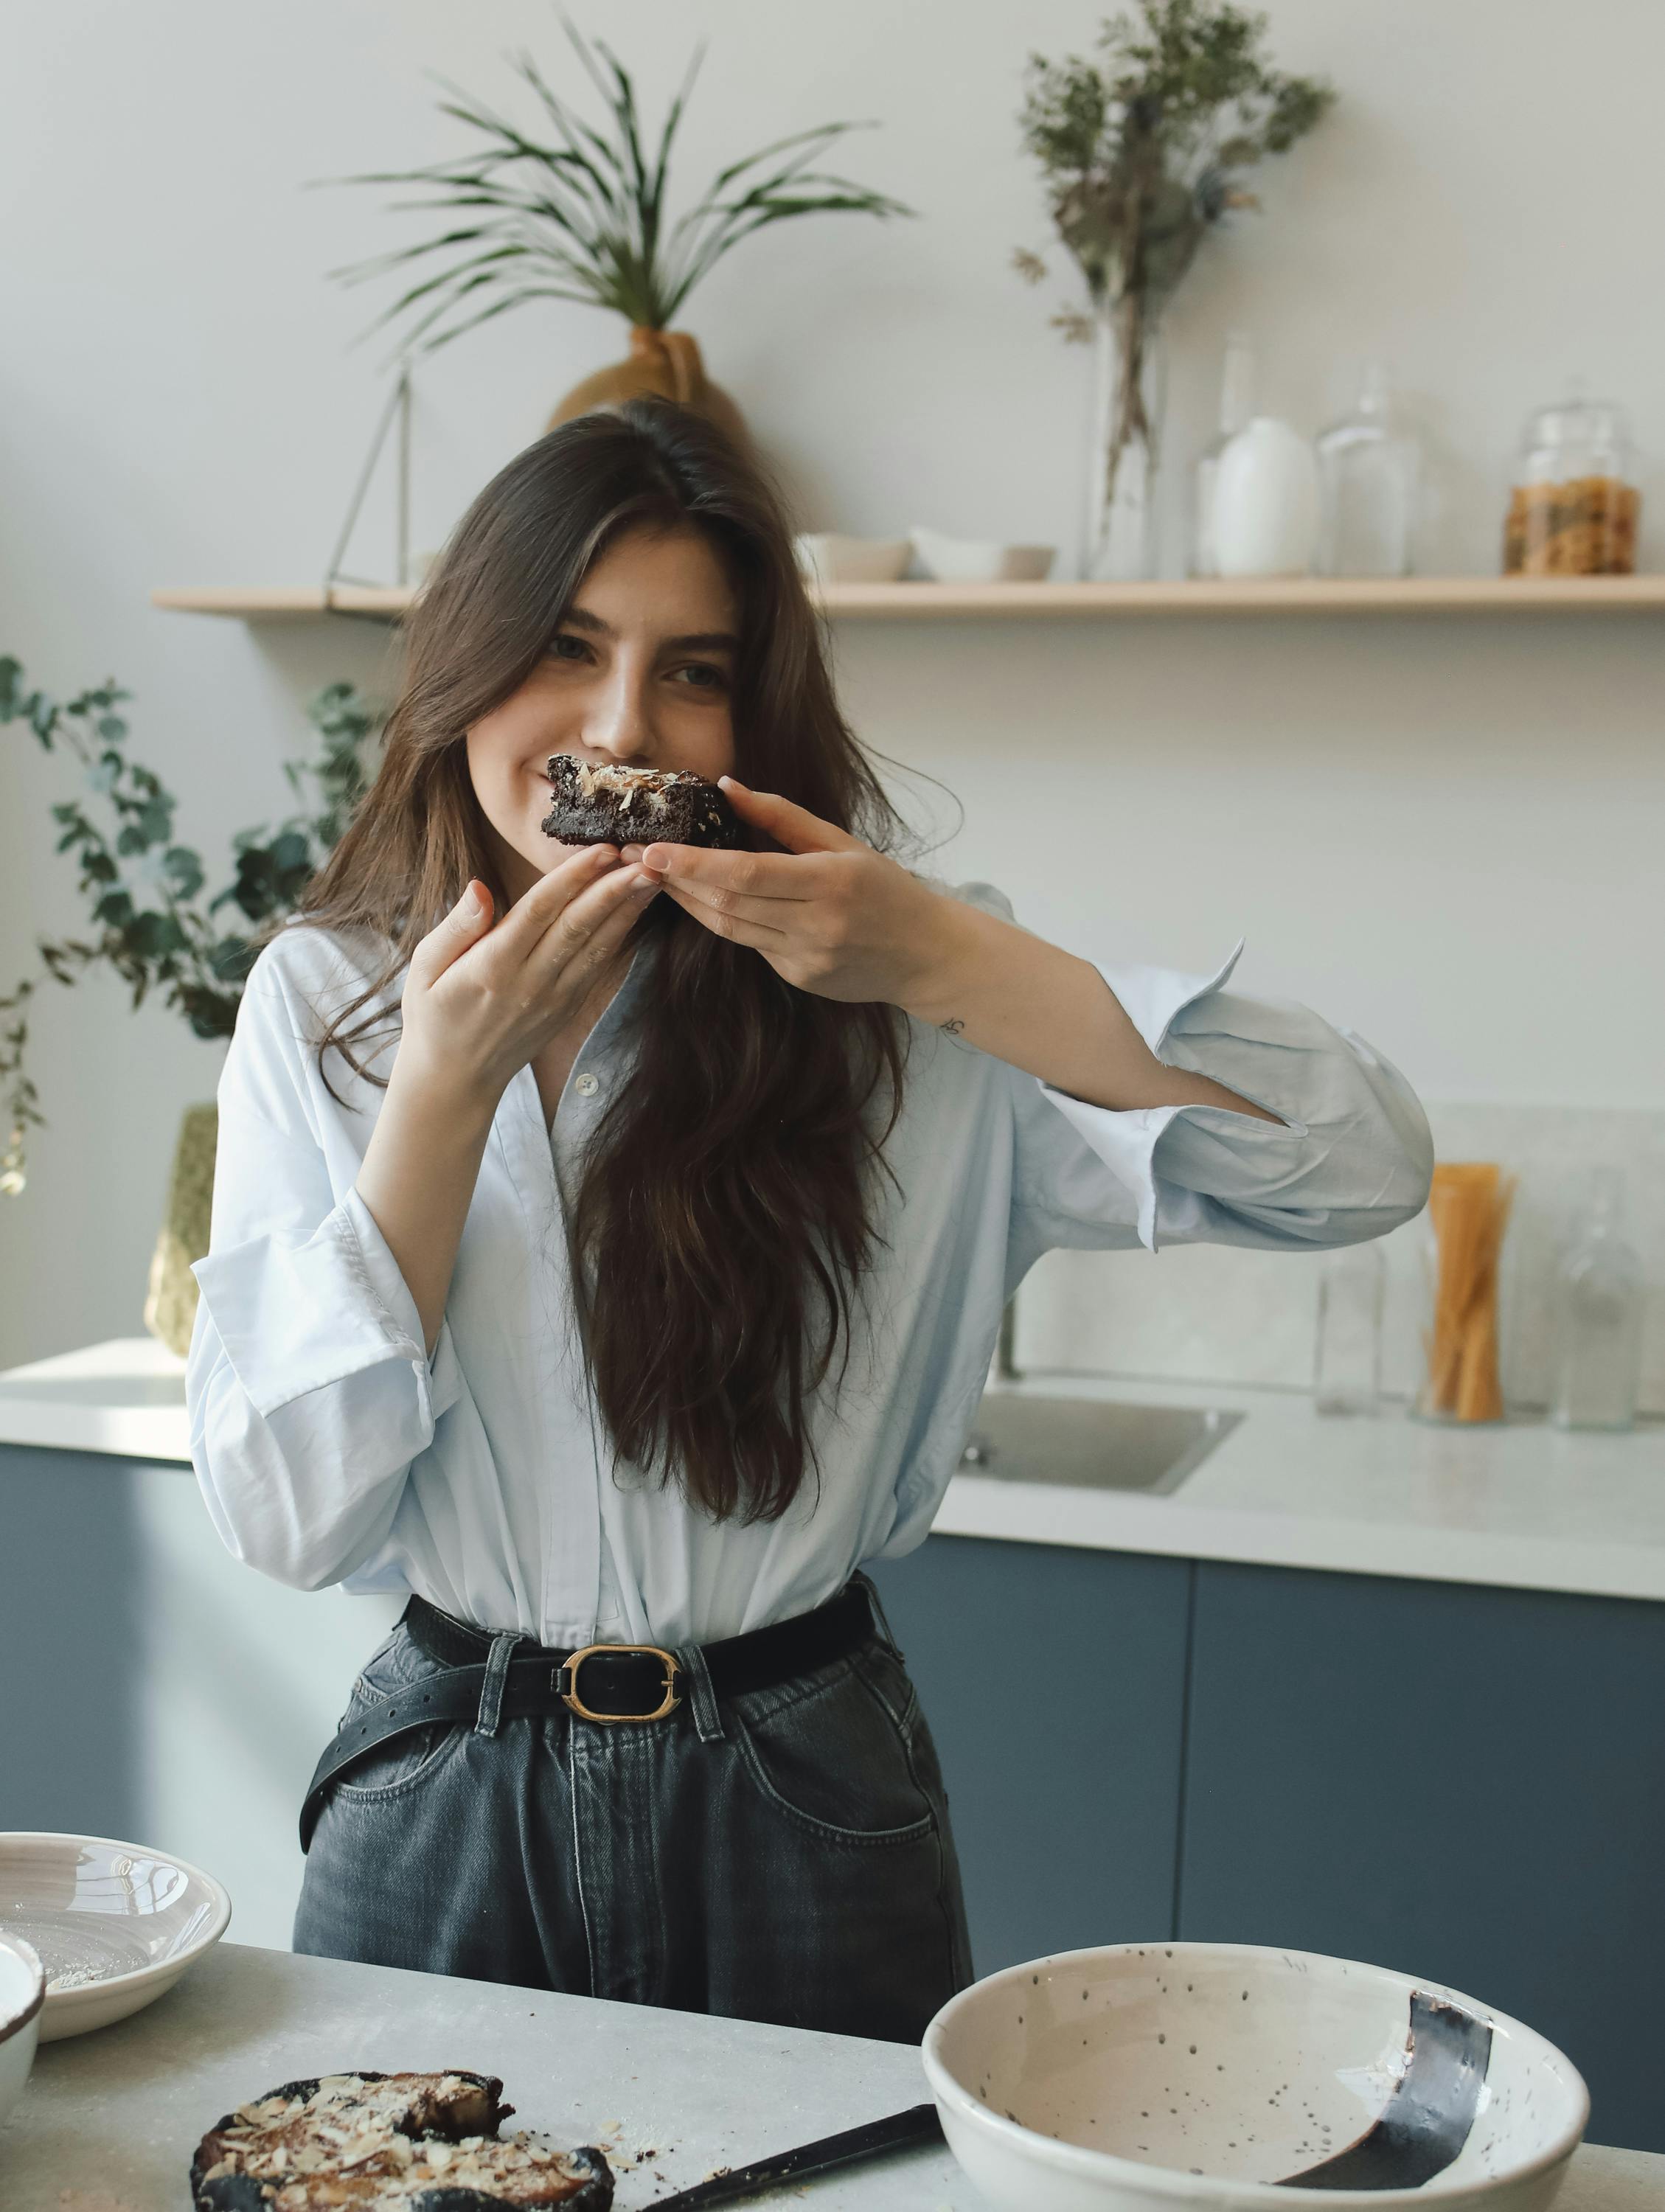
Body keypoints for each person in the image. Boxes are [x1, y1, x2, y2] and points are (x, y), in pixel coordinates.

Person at [186, 399, 1432, 2042]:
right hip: (438, 1776)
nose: (621, 724)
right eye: (565, 645)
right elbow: (284, 1520)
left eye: (691, 671)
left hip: (804, 1780)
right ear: (465, 663)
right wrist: (439, 1093)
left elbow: (1361, 1161)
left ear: (749, 718)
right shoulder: (328, 1000)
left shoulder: (898, 995)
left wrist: (942, 958)